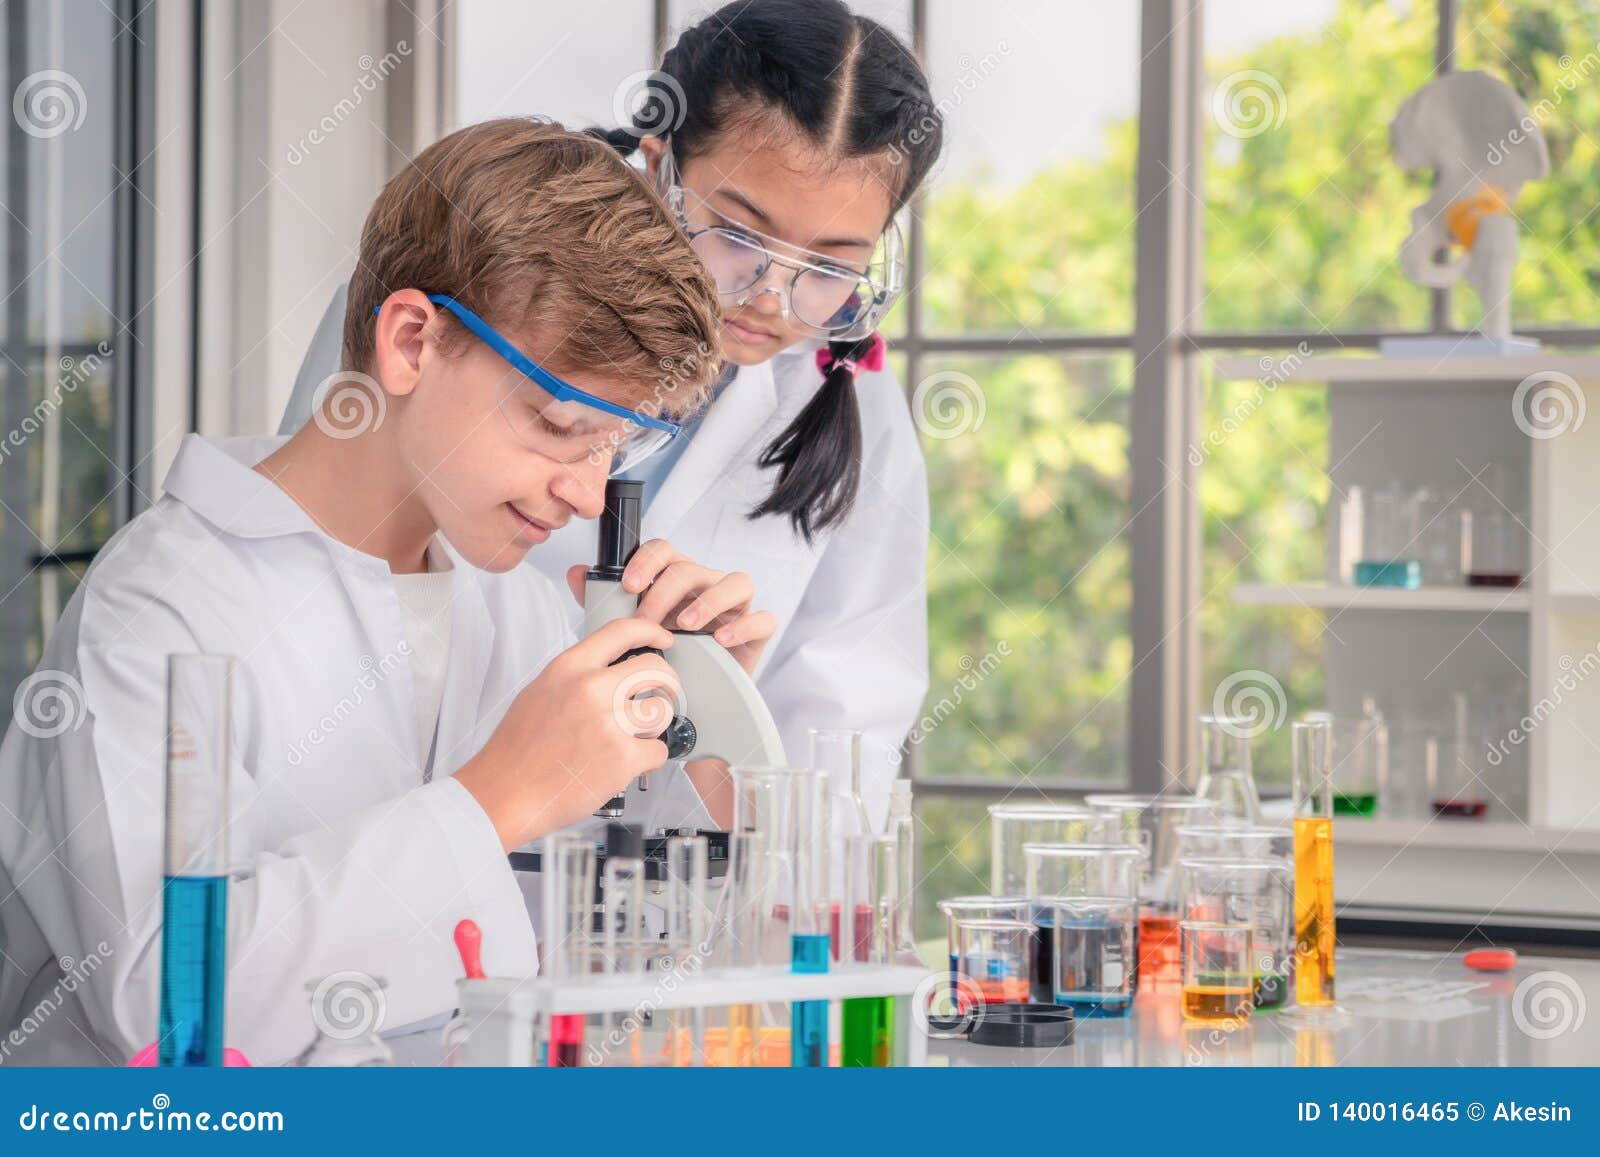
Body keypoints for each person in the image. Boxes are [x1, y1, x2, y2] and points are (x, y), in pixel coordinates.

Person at [0, 119, 770, 1065]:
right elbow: (171, 1005)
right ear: (411, 340)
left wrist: (711, 735)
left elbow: (629, 948)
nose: (583, 490)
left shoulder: (523, 614)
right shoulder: (160, 608)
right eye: (558, 422)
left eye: (618, 446)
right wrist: (493, 801)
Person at [280, 0, 946, 831]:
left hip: (673, 929)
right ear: (659, 158)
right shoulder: (462, 304)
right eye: (739, 235)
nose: (771, 299)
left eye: (828, 266)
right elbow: (309, 583)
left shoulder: (856, 415)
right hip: (407, 877)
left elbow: (838, 777)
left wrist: (715, 708)